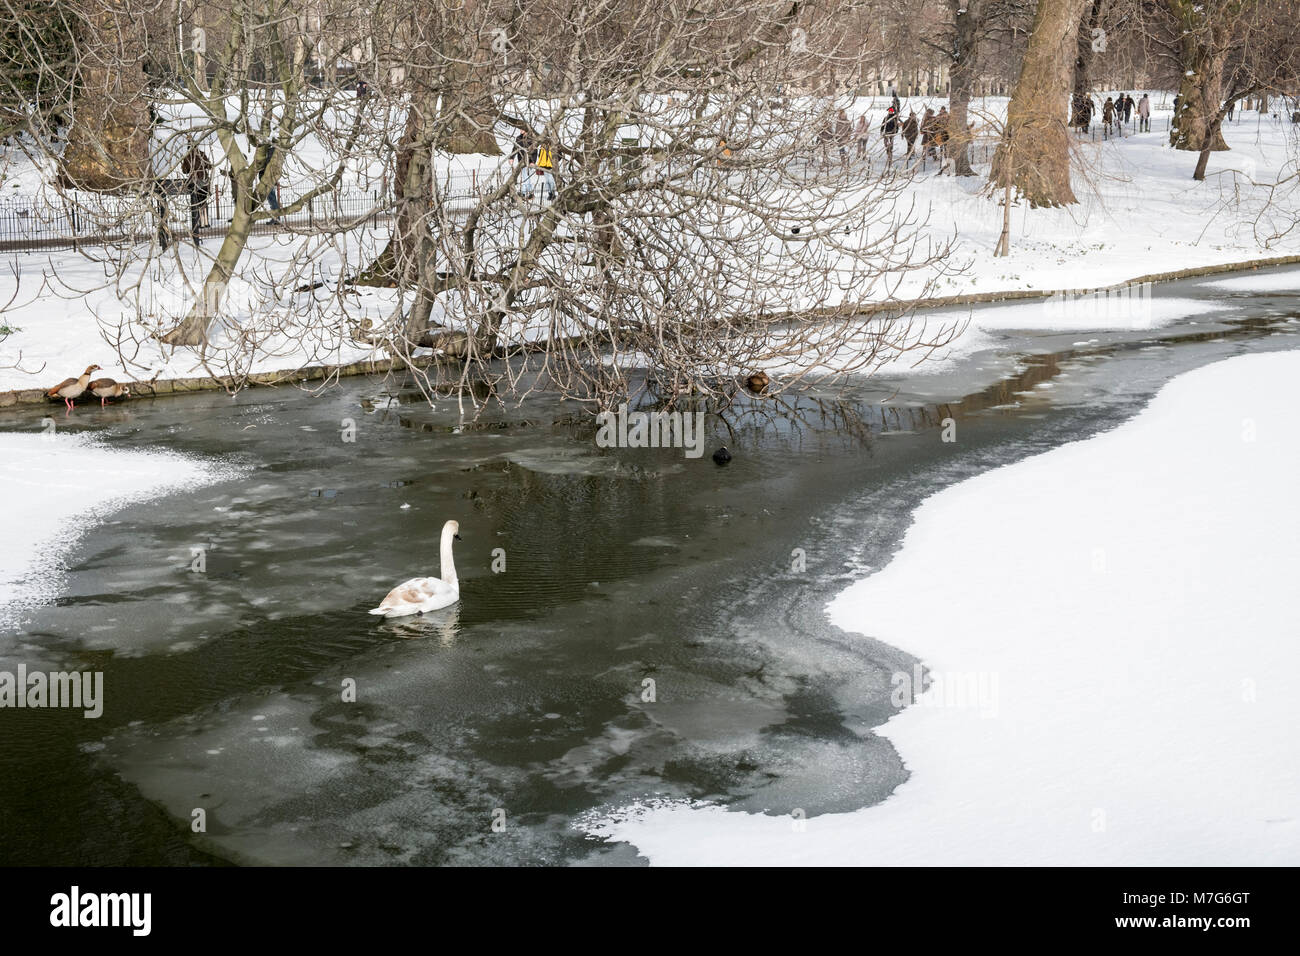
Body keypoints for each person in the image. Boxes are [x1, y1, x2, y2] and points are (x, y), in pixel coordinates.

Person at [181, 146, 212, 243]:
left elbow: (185, 171)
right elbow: (209, 166)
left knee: (196, 202)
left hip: (194, 181)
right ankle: (205, 222)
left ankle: (199, 222)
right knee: (204, 200)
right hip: (204, 180)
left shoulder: (187, 156)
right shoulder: (202, 154)